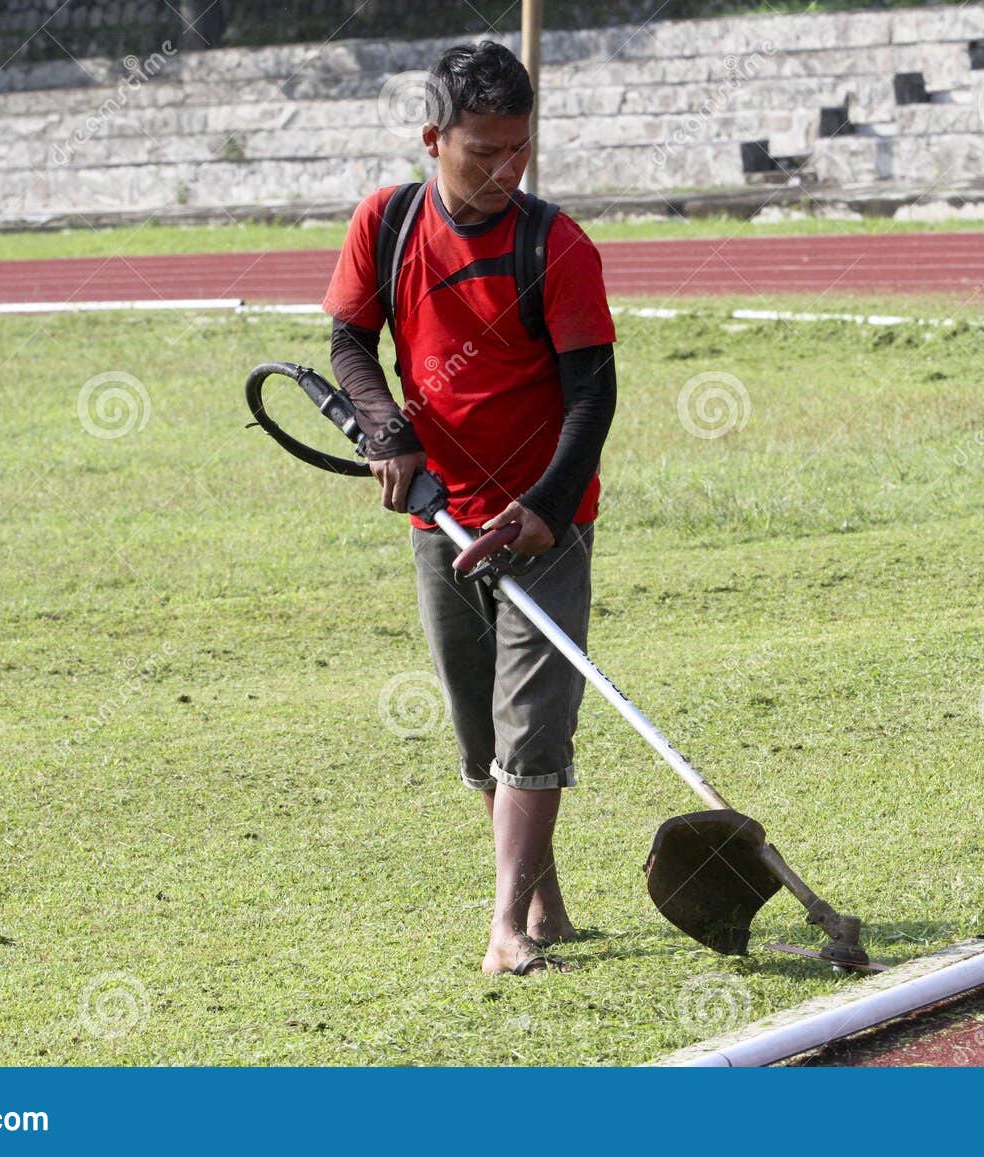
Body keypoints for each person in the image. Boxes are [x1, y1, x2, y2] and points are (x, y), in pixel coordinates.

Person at [322, 40, 617, 975]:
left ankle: (503, 927)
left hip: (541, 523)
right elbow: (349, 342)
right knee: (479, 730)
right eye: (483, 149)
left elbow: (593, 394)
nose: (503, 169)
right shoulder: (388, 224)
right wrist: (387, 433)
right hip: (440, 516)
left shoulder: (556, 244)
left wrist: (545, 506)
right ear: (433, 138)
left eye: (518, 150)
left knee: (534, 721)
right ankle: (546, 909)